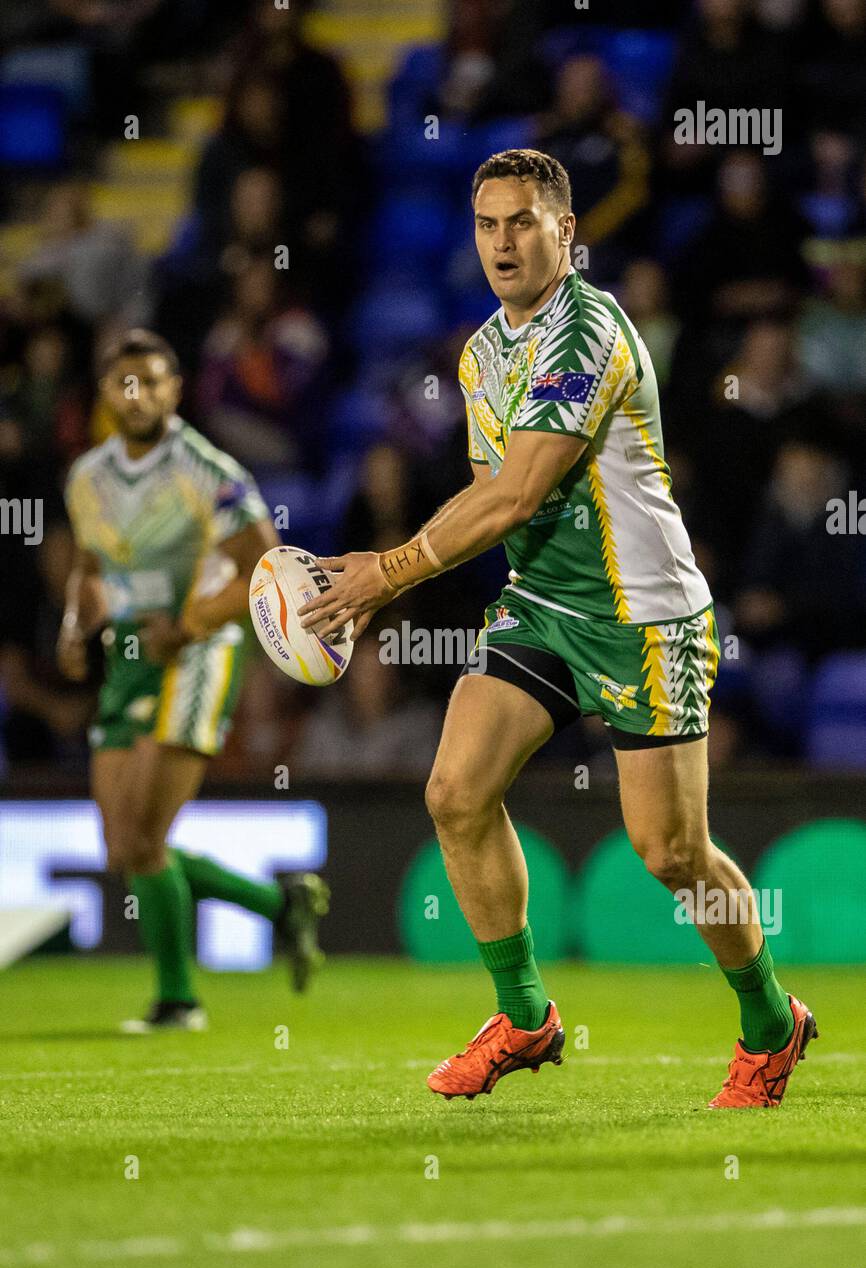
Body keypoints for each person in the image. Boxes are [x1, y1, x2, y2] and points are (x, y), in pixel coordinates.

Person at [299, 149, 818, 1109]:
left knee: (669, 852)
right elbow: (495, 497)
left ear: (566, 233)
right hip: (543, 603)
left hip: (643, 616)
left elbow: (519, 491)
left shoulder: (588, 333)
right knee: (455, 790)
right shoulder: (482, 351)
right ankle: (526, 1016)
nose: (502, 242)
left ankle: (771, 1023)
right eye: (487, 224)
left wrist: (390, 570)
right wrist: (404, 563)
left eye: (523, 223)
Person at [57, 329, 327, 1030]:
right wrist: (71, 625)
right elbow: (91, 566)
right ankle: (281, 903)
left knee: (145, 838)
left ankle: (178, 1000)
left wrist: (188, 625)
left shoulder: (208, 470)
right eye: (124, 382)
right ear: (105, 393)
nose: (137, 394)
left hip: (196, 654)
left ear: (176, 390)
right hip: (127, 656)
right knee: (125, 847)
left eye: (152, 381)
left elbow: (266, 574)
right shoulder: (85, 476)